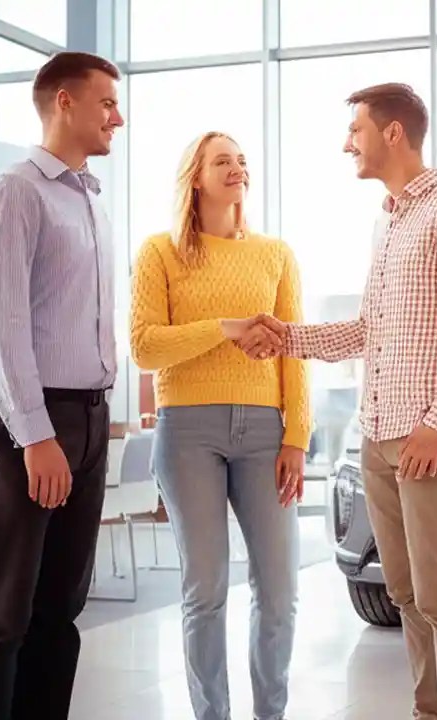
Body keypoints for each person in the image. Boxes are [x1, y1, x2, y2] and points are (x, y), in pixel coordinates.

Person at [245, 82, 437, 720]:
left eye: (354, 129)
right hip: (379, 432)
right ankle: (427, 711)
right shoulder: (390, 217)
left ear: (392, 133)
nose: (346, 143)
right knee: (406, 594)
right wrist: (286, 338)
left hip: (425, 438)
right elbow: (368, 329)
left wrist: (436, 428)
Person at [0, 51, 124, 720]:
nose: (119, 115)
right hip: (33, 421)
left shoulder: (92, 203)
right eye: (107, 102)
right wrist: (36, 435)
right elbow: (1, 326)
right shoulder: (14, 191)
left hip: (88, 419)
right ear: (64, 102)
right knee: (6, 613)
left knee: (62, 609)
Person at [129, 131, 311, 720]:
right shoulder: (159, 252)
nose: (236, 168)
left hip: (265, 432)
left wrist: (296, 438)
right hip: (187, 433)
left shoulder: (276, 254)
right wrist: (226, 326)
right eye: (222, 160)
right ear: (196, 177)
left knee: (279, 594)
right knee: (204, 591)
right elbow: (144, 347)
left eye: (241, 160)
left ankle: (270, 715)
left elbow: (293, 348)